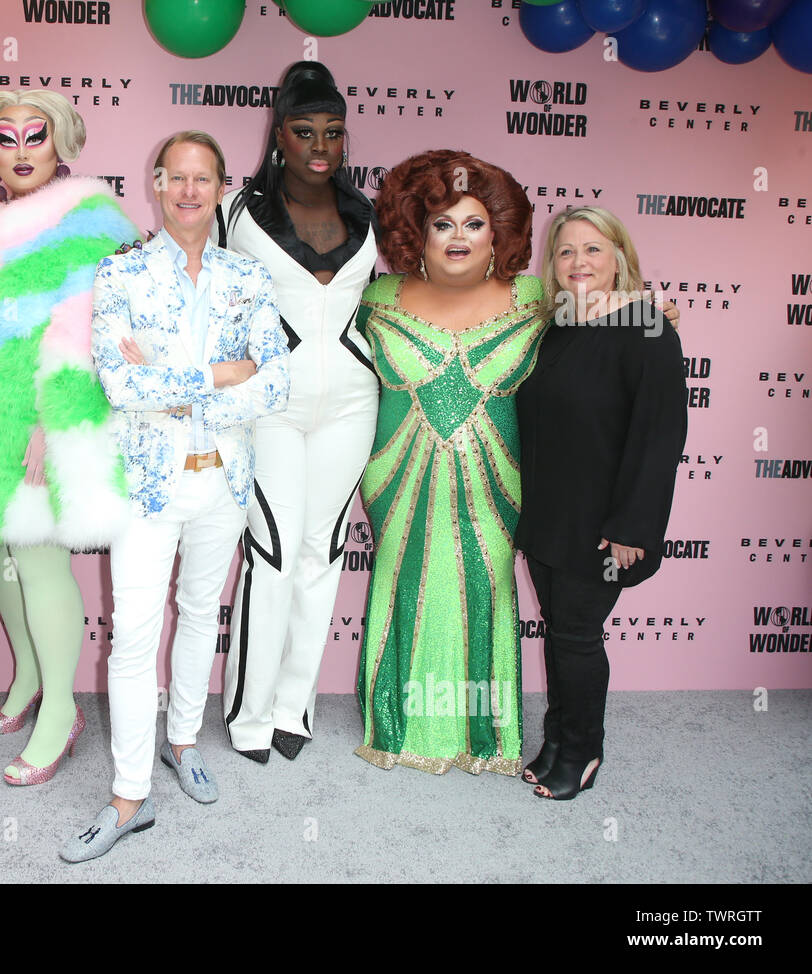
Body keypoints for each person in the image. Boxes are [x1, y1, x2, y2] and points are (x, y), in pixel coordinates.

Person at [61, 131, 290, 863]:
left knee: (199, 614)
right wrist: (220, 376)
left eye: (204, 179)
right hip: (147, 485)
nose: (190, 191)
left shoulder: (250, 277)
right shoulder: (120, 275)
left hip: (224, 479)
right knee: (132, 635)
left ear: (222, 186)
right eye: (176, 178)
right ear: (156, 184)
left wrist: (179, 383)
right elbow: (119, 385)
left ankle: (183, 742)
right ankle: (130, 795)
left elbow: (277, 381)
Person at [0, 90, 137, 785]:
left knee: (43, 562)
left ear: (61, 143)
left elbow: (94, 335)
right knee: (4, 558)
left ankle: (62, 709)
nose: (20, 151)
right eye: (6, 137)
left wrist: (51, 431)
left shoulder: (89, 220)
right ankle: (27, 678)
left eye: (34, 137)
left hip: (41, 423)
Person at [353, 150, 544, 776]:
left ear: (500, 234)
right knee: (405, 581)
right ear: (418, 232)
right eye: (443, 223)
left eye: (474, 223)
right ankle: (397, 725)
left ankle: (484, 735)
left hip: (495, 480)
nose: (457, 237)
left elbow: (601, 312)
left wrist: (646, 315)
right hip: (397, 475)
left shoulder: (536, 298)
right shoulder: (375, 298)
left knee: (486, 583)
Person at [218, 61, 380, 764]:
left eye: (333, 132)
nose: (321, 145)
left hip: (352, 402)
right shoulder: (235, 212)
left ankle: (295, 708)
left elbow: (448, 279)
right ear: (278, 133)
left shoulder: (372, 216)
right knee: (274, 556)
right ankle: (249, 716)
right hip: (269, 406)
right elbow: (195, 289)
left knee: (324, 555)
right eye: (305, 129)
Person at [514, 206, 687, 800]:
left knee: (579, 635)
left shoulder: (649, 328)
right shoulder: (554, 324)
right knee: (561, 632)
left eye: (593, 249)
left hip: (606, 525)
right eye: (565, 251)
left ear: (618, 257)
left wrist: (632, 527)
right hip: (548, 518)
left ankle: (584, 750)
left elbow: (659, 435)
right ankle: (557, 738)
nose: (578, 262)